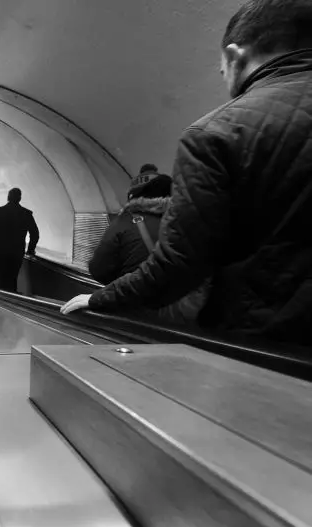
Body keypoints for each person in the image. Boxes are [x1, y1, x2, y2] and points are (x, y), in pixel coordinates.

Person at [62, 0, 312, 346]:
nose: (221, 74)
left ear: (236, 56)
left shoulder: (218, 132)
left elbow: (181, 263)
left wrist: (101, 298)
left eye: (222, 65)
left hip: (267, 340)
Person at [89, 166, 172, 285]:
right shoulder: (184, 222)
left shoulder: (123, 223)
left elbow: (98, 270)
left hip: (135, 298)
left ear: (132, 195)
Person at [0, 188, 40, 292]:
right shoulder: (26, 214)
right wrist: (30, 250)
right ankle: (12, 297)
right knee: (12, 277)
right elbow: (35, 234)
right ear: (20, 198)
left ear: (8, 197)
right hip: (17, 252)